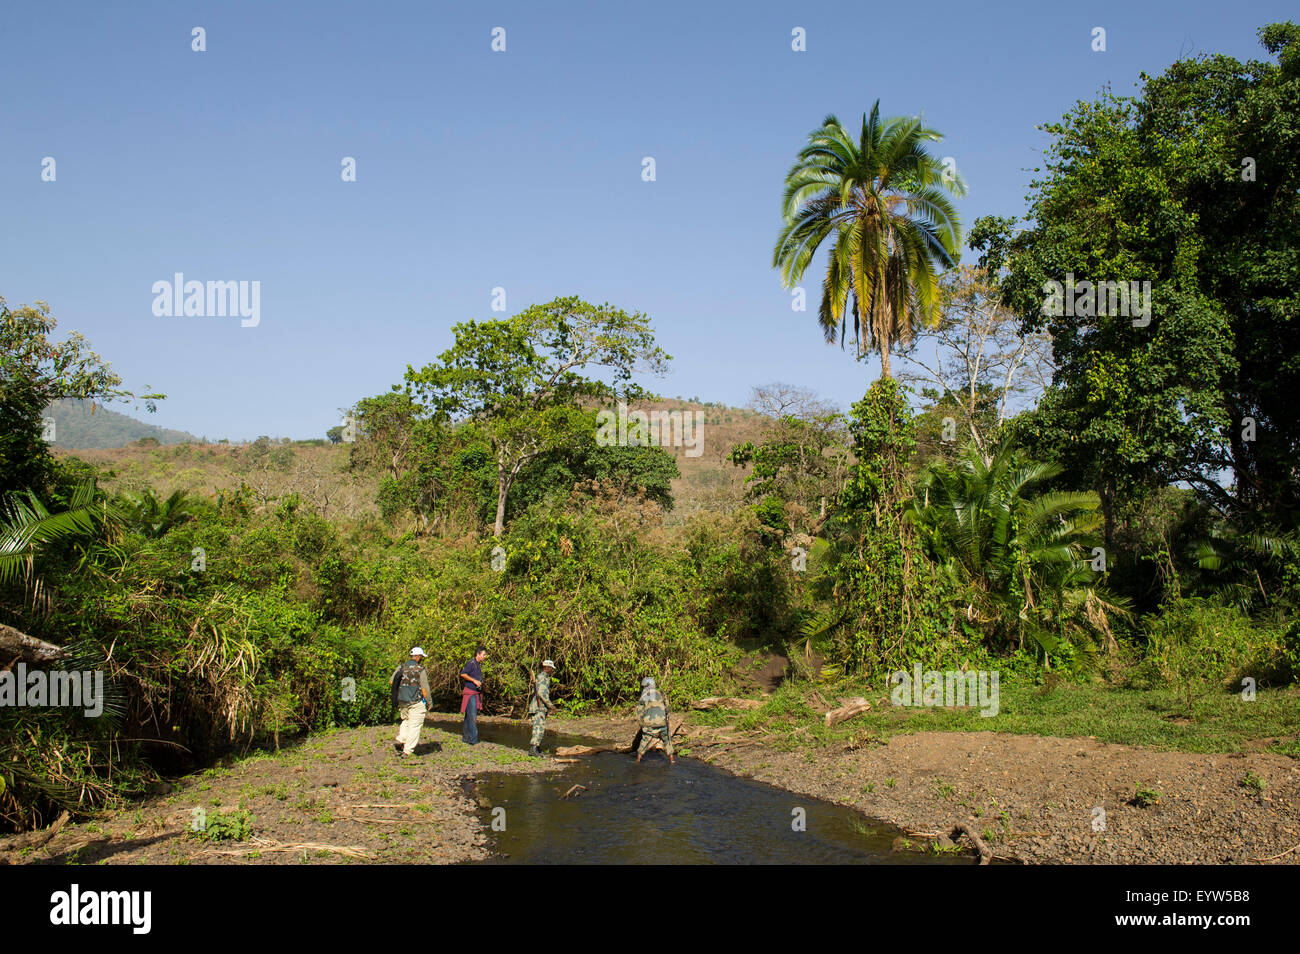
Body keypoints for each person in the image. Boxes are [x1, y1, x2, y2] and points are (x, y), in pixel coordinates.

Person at [390, 647, 432, 757]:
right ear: (418, 657)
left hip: (402, 700)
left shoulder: (401, 667)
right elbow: (425, 689)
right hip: (415, 701)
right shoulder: (420, 669)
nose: (421, 658)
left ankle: (401, 739)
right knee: (415, 725)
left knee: (406, 720)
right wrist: (429, 702)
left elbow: (391, 681)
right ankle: (407, 751)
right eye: (421, 657)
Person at [635, 676, 675, 764]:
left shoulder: (644, 696)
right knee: (667, 741)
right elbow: (667, 708)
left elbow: (639, 712)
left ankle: (638, 761)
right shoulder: (661, 693)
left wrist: (642, 724)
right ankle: (672, 760)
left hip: (648, 725)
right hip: (662, 723)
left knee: (644, 743)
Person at [528, 659, 557, 757]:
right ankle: (533, 749)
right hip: (538, 707)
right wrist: (550, 705)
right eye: (551, 668)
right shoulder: (543, 678)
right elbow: (542, 693)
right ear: (547, 668)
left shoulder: (541, 677)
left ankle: (537, 748)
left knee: (539, 727)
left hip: (538, 707)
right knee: (539, 728)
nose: (552, 670)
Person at [459, 646, 488, 745]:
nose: (485, 656)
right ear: (478, 654)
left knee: (469, 717)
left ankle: (466, 738)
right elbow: (463, 674)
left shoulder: (477, 664)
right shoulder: (471, 663)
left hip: (475, 693)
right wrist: (474, 681)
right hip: (470, 693)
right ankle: (473, 739)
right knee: (472, 716)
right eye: (484, 655)